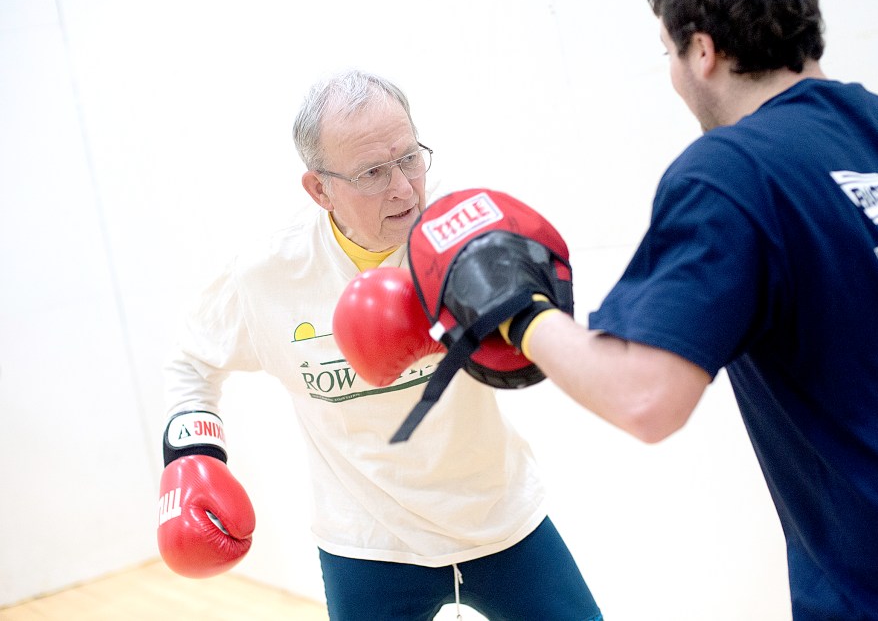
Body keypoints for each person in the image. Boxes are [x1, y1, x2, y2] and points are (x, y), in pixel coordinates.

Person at [443, 0, 878, 618]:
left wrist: (519, 311)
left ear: (702, 51)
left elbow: (644, 397)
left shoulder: (731, 174)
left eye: (668, 53)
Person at [156, 69, 602, 621]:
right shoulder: (268, 274)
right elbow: (192, 359)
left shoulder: (460, 236)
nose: (403, 188)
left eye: (409, 158)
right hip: (366, 546)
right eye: (371, 173)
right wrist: (193, 455)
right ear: (320, 189)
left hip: (499, 520)